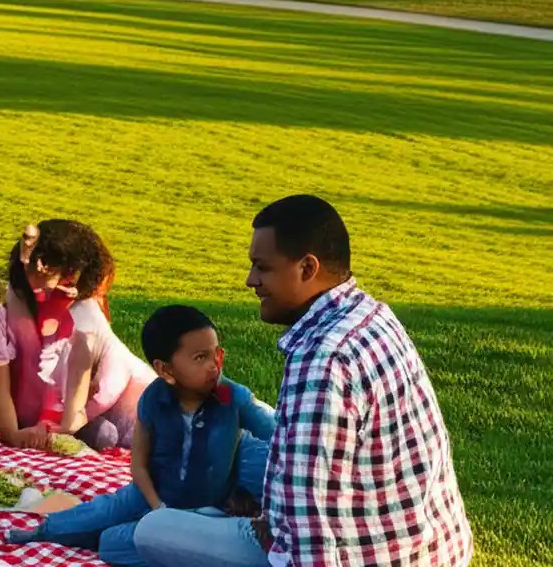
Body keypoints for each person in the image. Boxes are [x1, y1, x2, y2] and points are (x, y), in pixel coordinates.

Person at [133, 195, 473, 567]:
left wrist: (270, 533)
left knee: (153, 530)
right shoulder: (372, 316)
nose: (251, 281)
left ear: (307, 268)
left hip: (362, 555)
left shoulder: (322, 359)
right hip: (435, 548)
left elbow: (310, 519)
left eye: (262, 267)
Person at [6, 305, 274, 567]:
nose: (213, 366)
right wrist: (158, 507)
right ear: (165, 370)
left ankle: (152, 536)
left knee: (111, 544)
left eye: (216, 355)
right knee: (95, 516)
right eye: (200, 358)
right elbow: (139, 465)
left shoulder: (232, 397)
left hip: (202, 512)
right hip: (149, 495)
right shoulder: (153, 399)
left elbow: (280, 434)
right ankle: (43, 531)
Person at [0, 221, 155, 451]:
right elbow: (0, 392)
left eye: (68, 284)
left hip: (122, 403)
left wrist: (68, 425)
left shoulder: (83, 316)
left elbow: (102, 384)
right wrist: (15, 434)